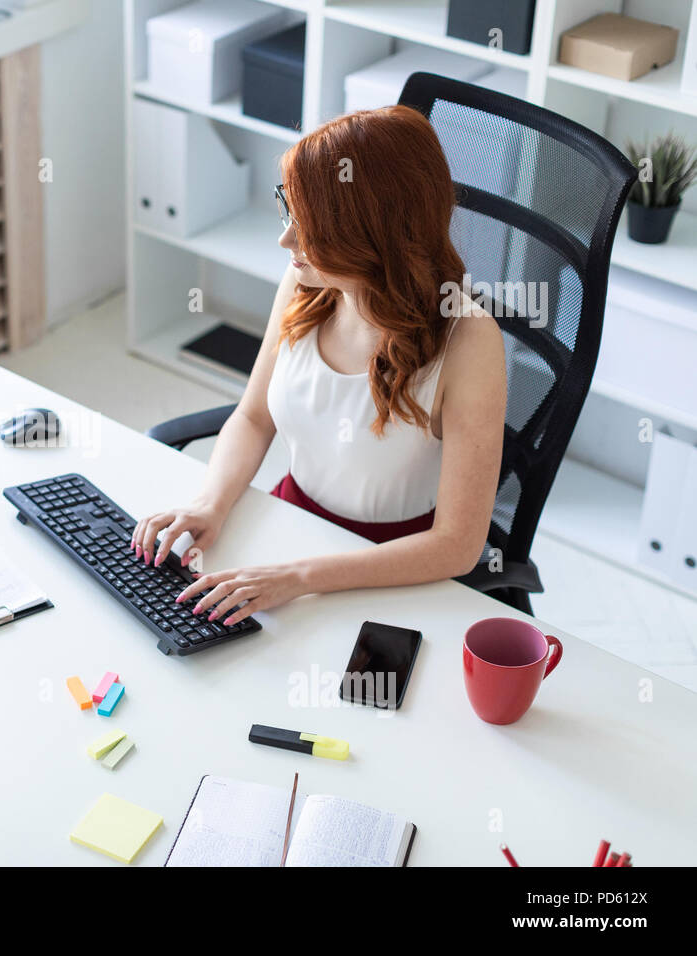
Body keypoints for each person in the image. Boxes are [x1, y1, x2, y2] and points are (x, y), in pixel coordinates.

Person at [132, 105, 507, 626]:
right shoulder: (309, 285)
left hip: (386, 569)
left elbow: (457, 546)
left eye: (310, 229)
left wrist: (298, 578)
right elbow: (253, 417)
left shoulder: (468, 340)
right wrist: (210, 504)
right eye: (289, 214)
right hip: (289, 525)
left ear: (368, 236)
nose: (286, 241)